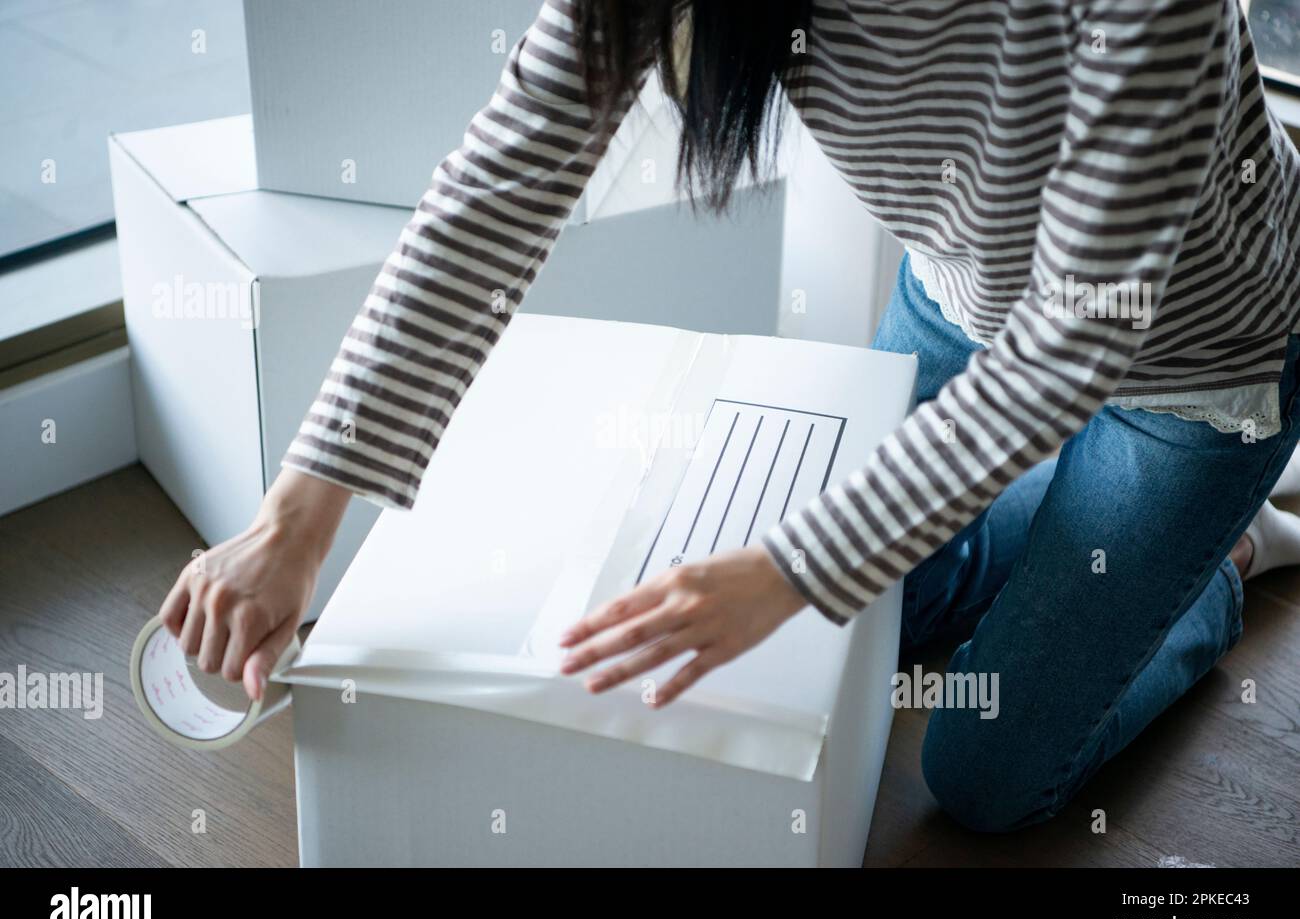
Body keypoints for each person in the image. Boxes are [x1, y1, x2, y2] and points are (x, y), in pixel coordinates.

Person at [161, 0, 1300, 832]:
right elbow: (492, 195)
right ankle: (1082, 521)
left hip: (1194, 361)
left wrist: (792, 567)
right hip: (961, 294)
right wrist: (295, 521)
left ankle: (1218, 561)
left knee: (985, 776)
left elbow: (1078, 330)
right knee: (851, 644)